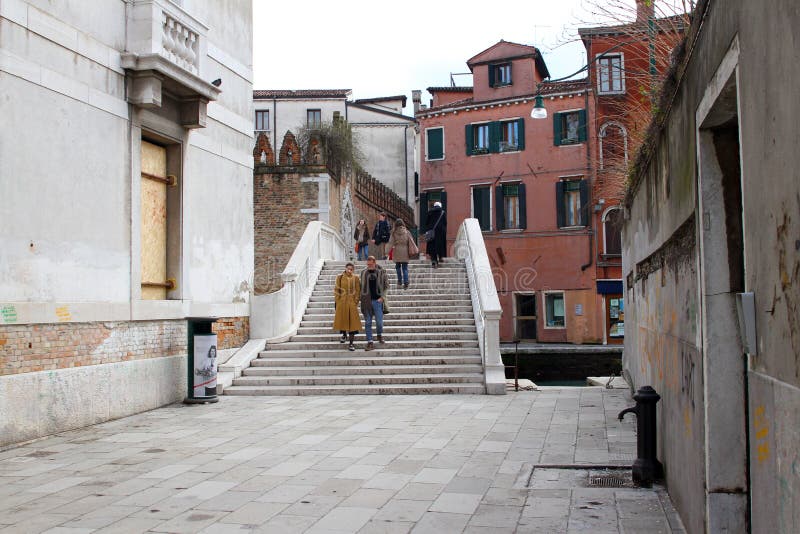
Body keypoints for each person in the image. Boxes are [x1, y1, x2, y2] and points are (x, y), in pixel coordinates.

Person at [360, 255, 388, 351]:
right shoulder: (363, 272)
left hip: (377, 301)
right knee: (368, 322)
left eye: (371, 264)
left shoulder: (381, 272)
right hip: (366, 301)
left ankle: (379, 335)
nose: (369, 266)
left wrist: (382, 297)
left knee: (379, 323)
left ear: (374, 263)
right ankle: (370, 342)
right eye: (368, 264)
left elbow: (386, 286)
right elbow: (361, 286)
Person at [333, 262, 361, 351]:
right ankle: (344, 335)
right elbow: (337, 290)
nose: (349, 270)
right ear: (345, 268)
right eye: (348, 269)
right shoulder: (340, 277)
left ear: (353, 270)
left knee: (352, 323)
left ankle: (351, 344)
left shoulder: (355, 278)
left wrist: (355, 301)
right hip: (342, 302)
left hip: (351, 303)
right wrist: (338, 301)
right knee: (343, 320)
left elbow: (358, 290)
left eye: (351, 269)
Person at [386, 218, 417, 289]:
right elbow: (411, 241)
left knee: (397, 267)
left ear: (395, 224)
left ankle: (399, 281)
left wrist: (387, 251)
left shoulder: (393, 232)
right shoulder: (407, 232)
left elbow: (390, 243)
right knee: (405, 268)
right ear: (403, 224)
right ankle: (406, 282)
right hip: (405, 251)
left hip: (397, 251)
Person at [425, 201, 447, 268]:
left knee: (432, 246)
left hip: (432, 232)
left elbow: (426, 223)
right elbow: (445, 223)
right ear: (440, 206)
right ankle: (440, 257)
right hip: (440, 232)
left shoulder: (430, 212)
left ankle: (434, 261)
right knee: (440, 245)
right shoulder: (443, 213)